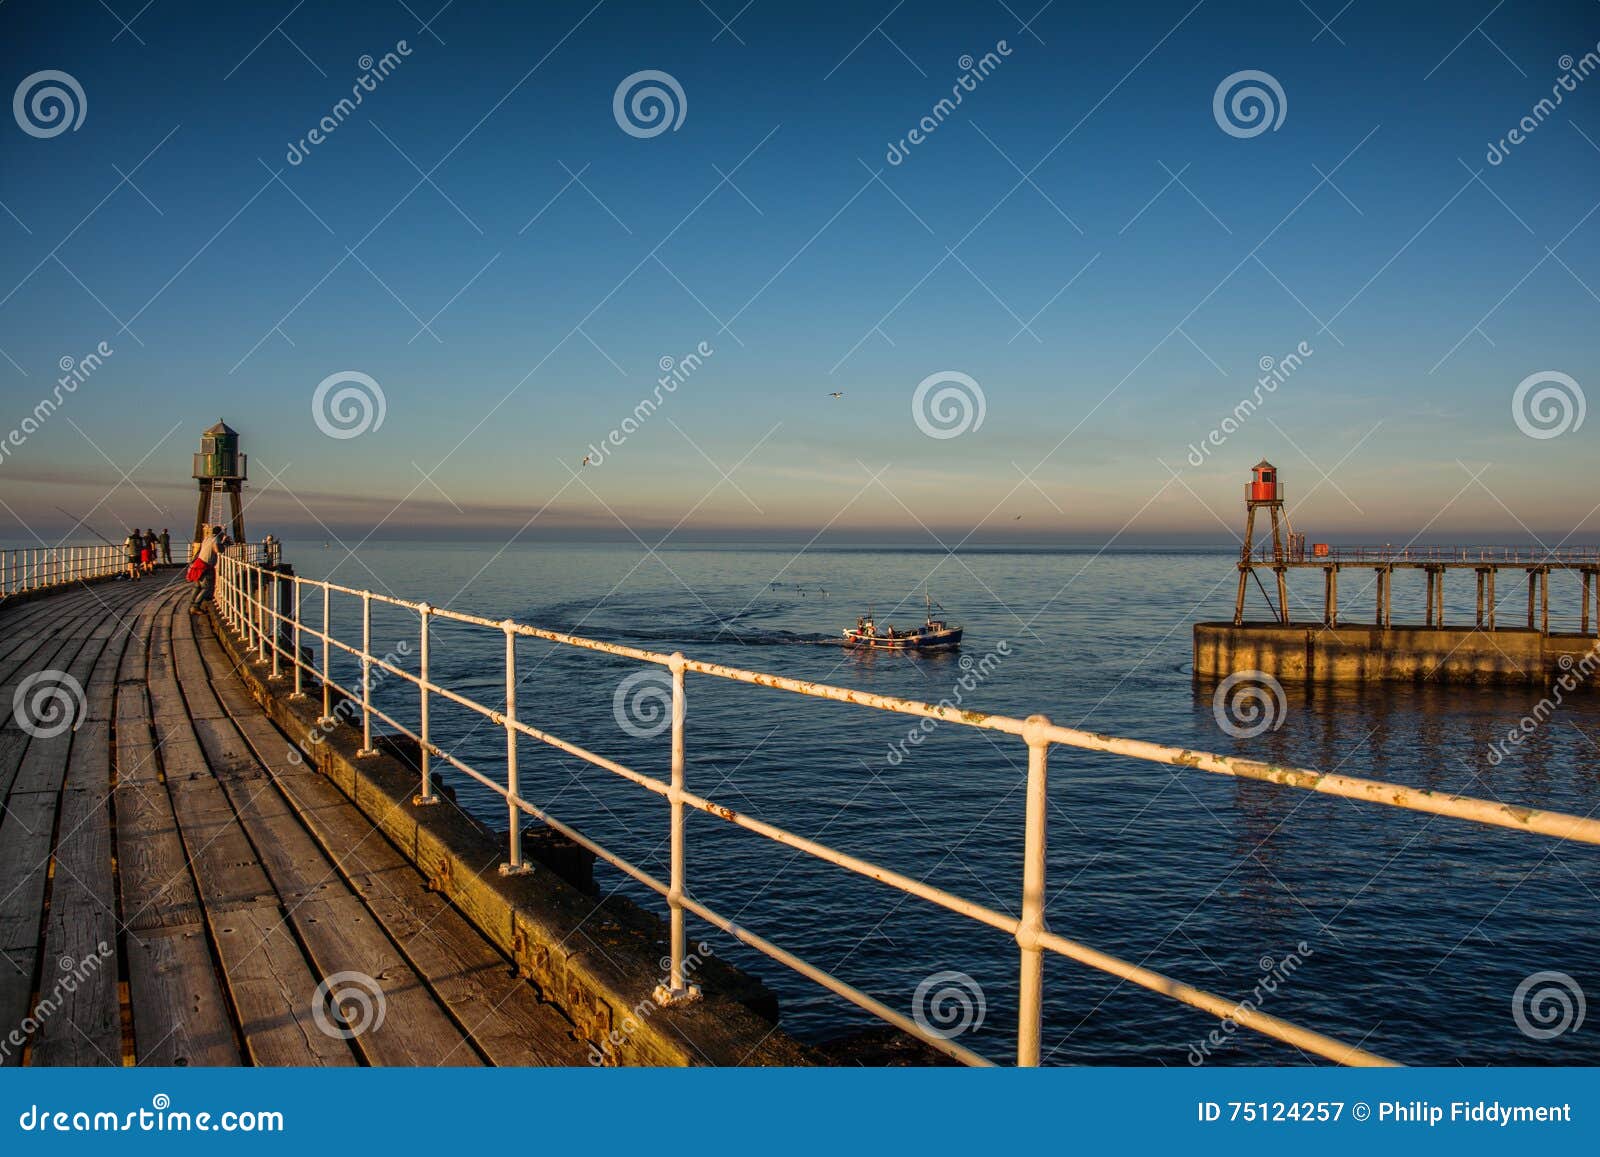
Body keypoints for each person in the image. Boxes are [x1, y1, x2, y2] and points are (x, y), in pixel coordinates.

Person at [190, 525, 223, 612]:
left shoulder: (206, 538)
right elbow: (217, 551)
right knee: (206, 587)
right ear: (220, 533)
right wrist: (223, 543)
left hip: (198, 562)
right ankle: (196, 606)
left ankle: (192, 603)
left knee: (197, 586)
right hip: (205, 565)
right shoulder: (216, 539)